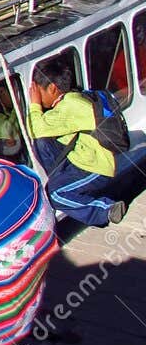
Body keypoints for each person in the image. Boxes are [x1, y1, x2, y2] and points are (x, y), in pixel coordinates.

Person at [27, 59, 127, 227]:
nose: (35, 96)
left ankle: (106, 209)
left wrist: (35, 105)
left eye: (38, 91)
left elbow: (34, 129)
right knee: (42, 142)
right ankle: (60, 178)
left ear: (52, 88)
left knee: (55, 194)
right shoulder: (75, 97)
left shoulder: (70, 107)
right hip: (83, 156)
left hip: (95, 166)